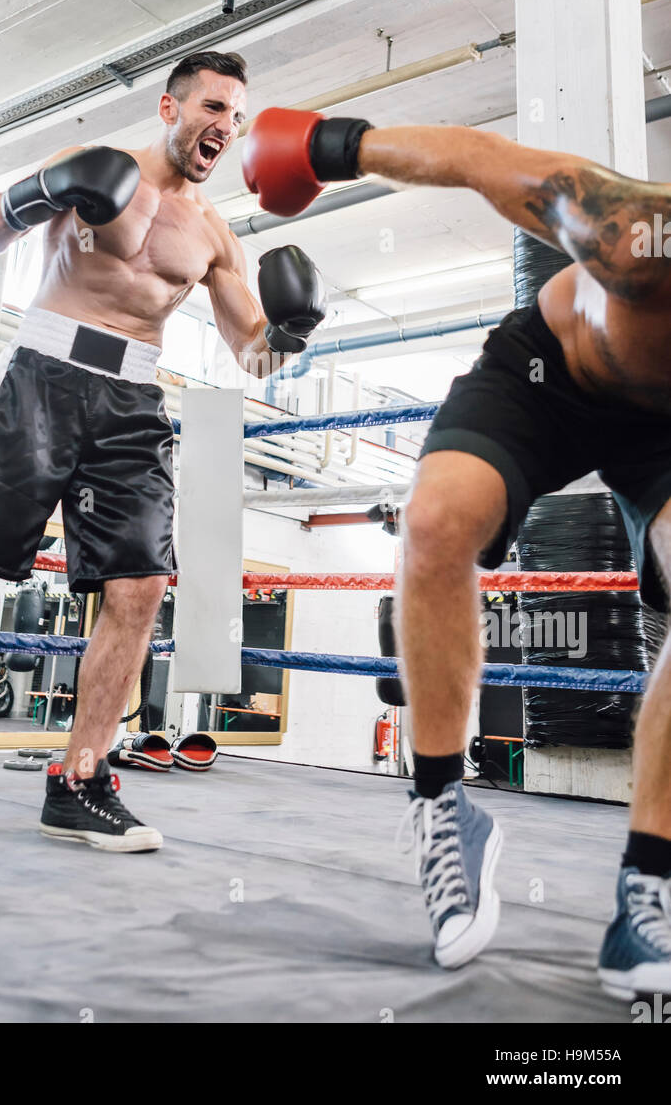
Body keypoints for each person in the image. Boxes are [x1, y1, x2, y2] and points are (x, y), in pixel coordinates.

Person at [0, 53, 327, 852]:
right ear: (170, 108)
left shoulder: (215, 235)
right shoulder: (98, 171)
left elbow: (249, 355)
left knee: (141, 588)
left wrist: (291, 333)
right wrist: (39, 192)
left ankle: (80, 780)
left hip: (134, 400)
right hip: (42, 375)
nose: (226, 126)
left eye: (238, 116)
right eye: (214, 107)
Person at [243, 105, 671, 994]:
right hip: (549, 375)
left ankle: (651, 888)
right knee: (437, 523)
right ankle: (444, 807)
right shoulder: (633, 230)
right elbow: (482, 157)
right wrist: (330, 146)